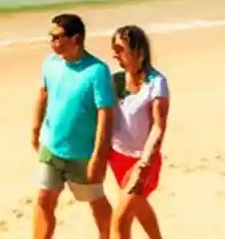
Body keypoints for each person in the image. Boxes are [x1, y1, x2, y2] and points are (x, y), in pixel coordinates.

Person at [31, 13, 115, 239]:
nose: (52, 42)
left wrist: (100, 155)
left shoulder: (97, 70)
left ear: (75, 38)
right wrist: (35, 128)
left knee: (96, 202)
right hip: (51, 146)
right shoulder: (50, 63)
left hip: (81, 154)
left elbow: (106, 113)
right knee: (43, 200)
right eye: (50, 37)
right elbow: (44, 92)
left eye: (57, 37)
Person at [108, 25, 169, 239]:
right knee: (139, 207)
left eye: (120, 49)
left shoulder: (156, 83)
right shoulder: (114, 81)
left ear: (137, 50)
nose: (115, 55)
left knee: (120, 220)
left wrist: (144, 165)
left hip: (142, 162)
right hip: (116, 157)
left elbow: (158, 127)